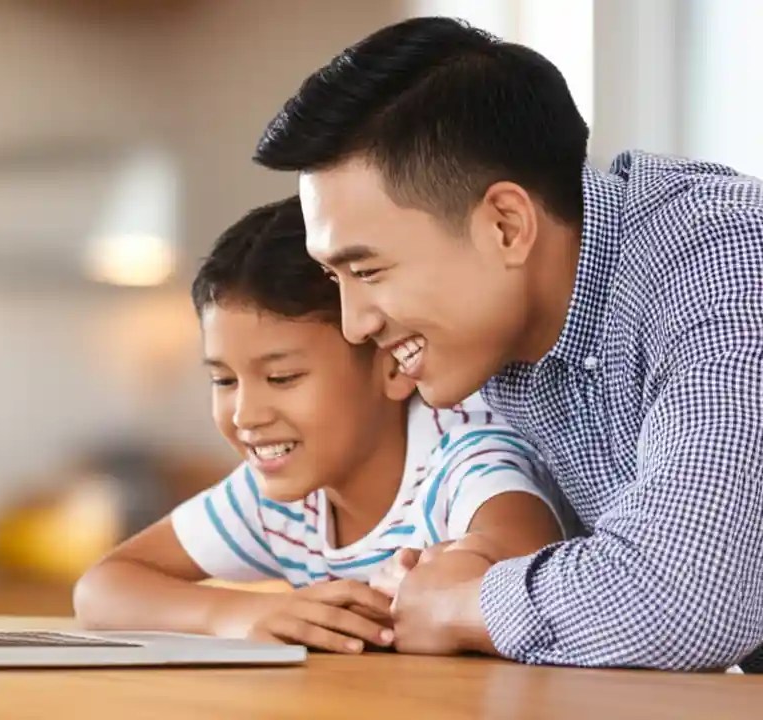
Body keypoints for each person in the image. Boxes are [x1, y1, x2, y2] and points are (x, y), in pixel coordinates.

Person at [253, 16, 763, 671]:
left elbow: (686, 595)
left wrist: (460, 605)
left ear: (506, 225)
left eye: (369, 271)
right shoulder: (501, 345)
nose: (355, 325)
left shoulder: (728, 268)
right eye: (335, 277)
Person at [73, 196, 568, 654]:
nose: (246, 414)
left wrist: (465, 569)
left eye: (282, 377)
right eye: (224, 380)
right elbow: (102, 587)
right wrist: (241, 614)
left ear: (392, 365)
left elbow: (527, 560)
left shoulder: (461, 453)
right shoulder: (272, 500)